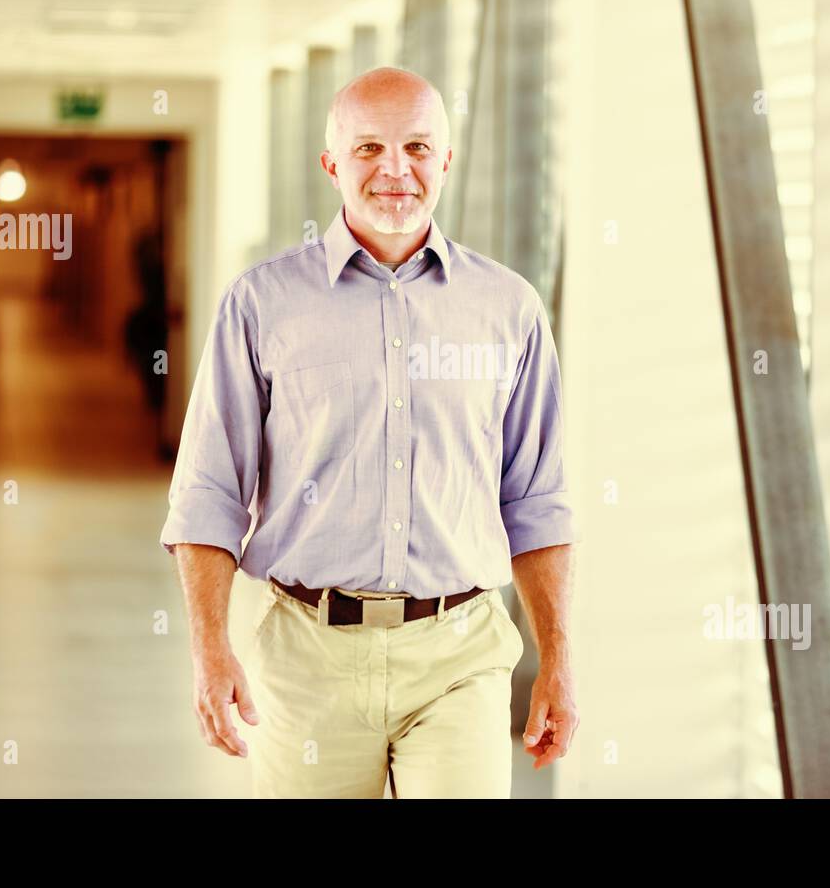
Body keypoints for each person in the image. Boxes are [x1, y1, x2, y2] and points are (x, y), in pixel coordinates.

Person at [159, 66, 578, 798]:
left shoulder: (508, 309)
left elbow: (537, 500)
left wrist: (560, 659)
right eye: (369, 149)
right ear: (331, 164)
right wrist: (209, 650)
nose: (395, 170)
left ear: (446, 160)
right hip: (306, 658)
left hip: (461, 655)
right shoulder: (262, 304)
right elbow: (209, 494)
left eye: (418, 147)